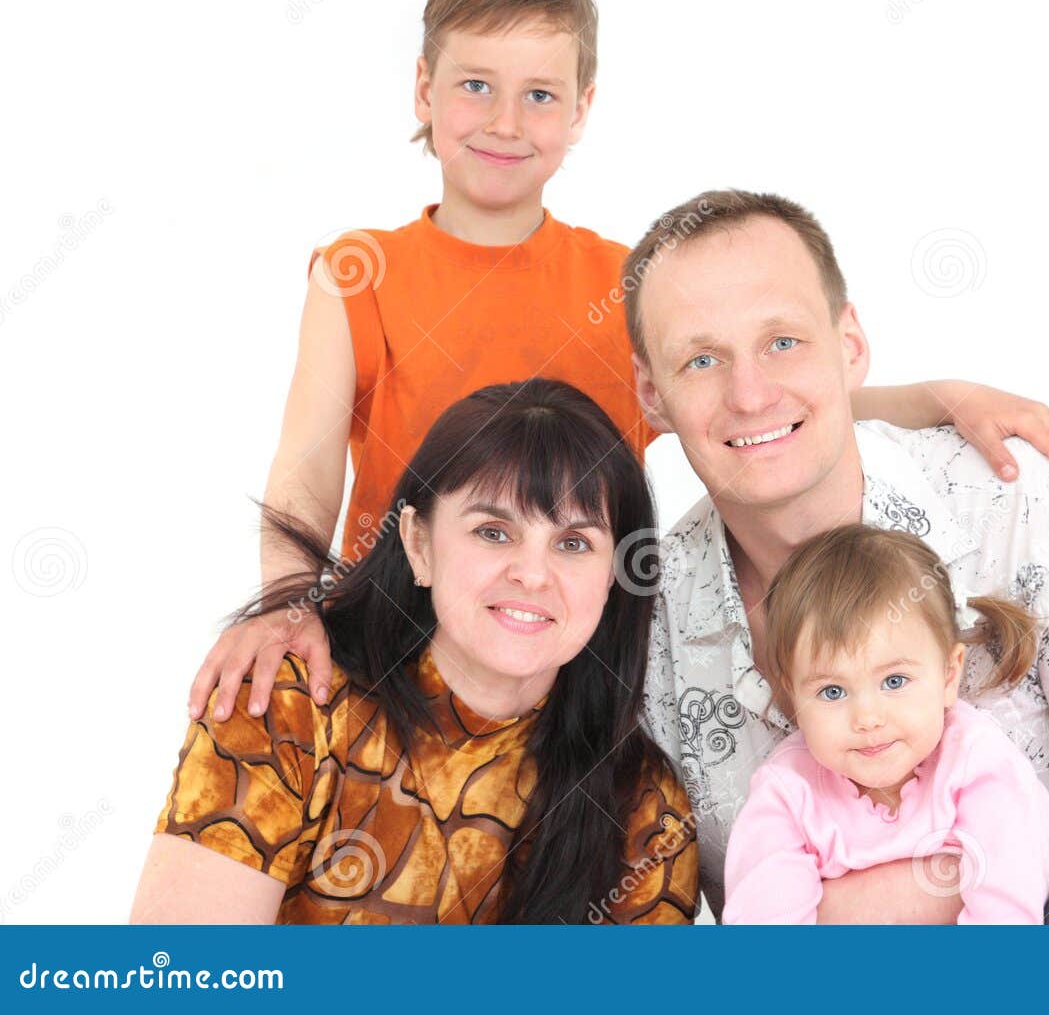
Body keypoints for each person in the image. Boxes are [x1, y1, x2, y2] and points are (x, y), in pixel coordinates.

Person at [191, 0, 1049, 726]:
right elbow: (307, 465)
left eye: (540, 94)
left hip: (574, 665)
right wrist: (285, 606)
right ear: (424, 91)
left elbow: (756, 399)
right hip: (390, 644)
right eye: (476, 86)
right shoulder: (361, 272)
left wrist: (943, 397)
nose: (507, 122)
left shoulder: (619, 282)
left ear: (582, 110)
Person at [625, 189, 1049, 923]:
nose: (750, 392)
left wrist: (908, 894)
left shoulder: (1010, 503)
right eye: (702, 359)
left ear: (849, 345)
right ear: (653, 394)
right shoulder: (643, 622)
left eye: (783, 341)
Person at [132, 379, 697, 924]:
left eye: (573, 543)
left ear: (615, 578)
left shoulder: (646, 812)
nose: (531, 574)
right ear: (418, 544)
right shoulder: (288, 705)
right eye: (493, 532)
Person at [722, 525, 1049, 924]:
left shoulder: (978, 762)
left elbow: (1007, 907)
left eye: (894, 682)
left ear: (949, 676)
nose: (867, 719)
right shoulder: (787, 791)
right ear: (793, 697)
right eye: (832, 692)